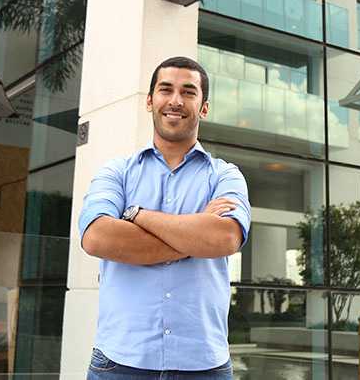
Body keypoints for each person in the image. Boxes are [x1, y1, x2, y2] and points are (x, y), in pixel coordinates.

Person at [78, 56, 251, 379]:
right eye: (165, 89)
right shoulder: (116, 172)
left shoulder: (225, 176)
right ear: (149, 100)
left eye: (188, 92)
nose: (175, 100)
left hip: (203, 365)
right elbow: (97, 237)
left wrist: (136, 215)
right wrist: (195, 234)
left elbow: (224, 238)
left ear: (204, 107)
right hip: (120, 362)